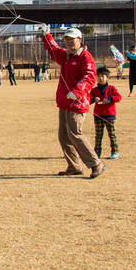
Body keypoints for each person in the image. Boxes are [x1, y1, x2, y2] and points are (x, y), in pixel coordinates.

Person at [39, 25, 104, 178]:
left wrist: (77, 91)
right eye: (66, 40)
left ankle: (96, 163)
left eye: (71, 39)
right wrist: (46, 35)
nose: (68, 42)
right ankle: (74, 166)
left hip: (78, 102)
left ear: (79, 40)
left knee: (75, 134)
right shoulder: (65, 55)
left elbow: (89, 77)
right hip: (64, 102)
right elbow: (53, 50)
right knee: (63, 135)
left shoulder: (85, 57)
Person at [89, 66, 122, 160]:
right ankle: (97, 153)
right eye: (98, 76)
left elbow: (118, 97)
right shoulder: (94, 90)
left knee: (112, 134)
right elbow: (88, 100)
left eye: (103, 76)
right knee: (98, 136)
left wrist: (110, 99)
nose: (100, 78)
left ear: (108, 77)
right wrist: (93, 99)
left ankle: (115, 152)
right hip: (98, 116)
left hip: (110, 116)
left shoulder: (111, 88)